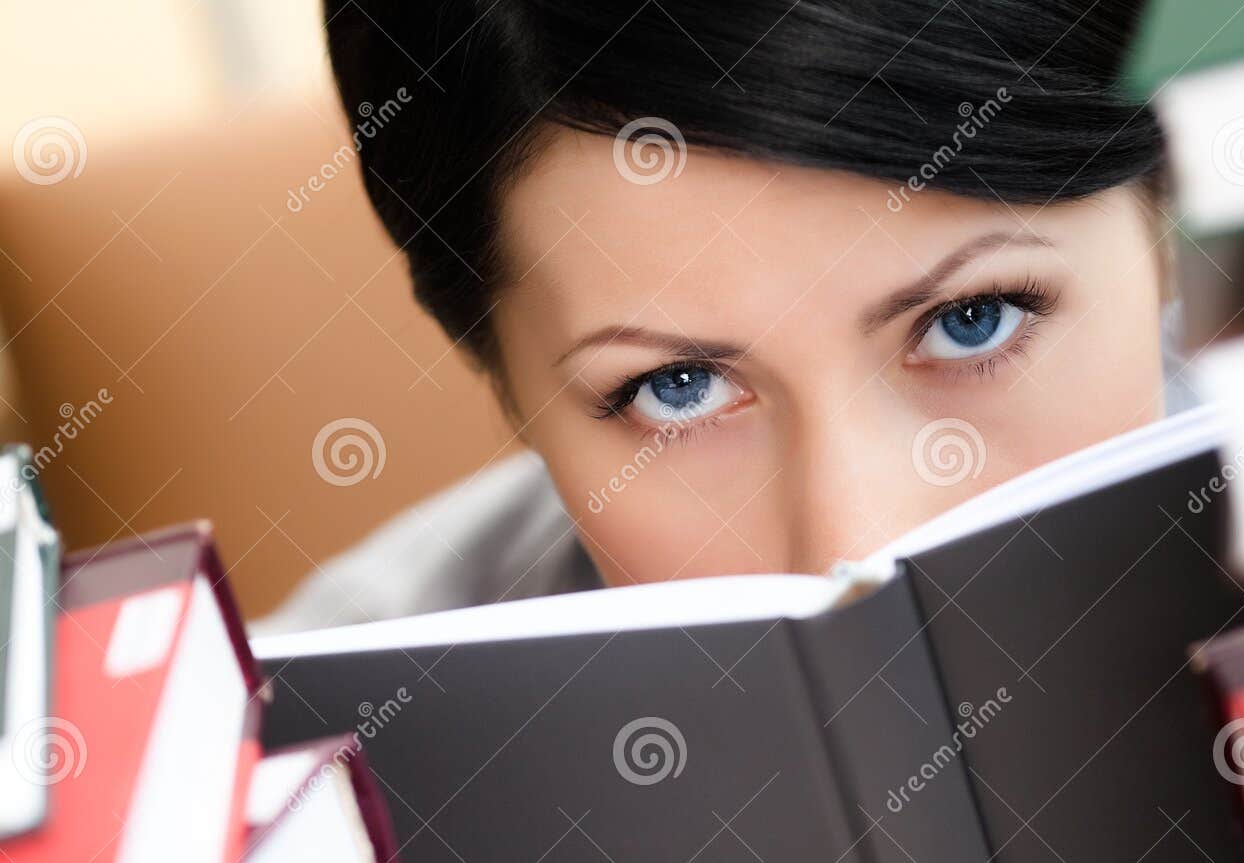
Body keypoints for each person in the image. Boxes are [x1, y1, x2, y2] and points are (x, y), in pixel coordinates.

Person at [263, 0, 1191, 630]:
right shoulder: (282, 781)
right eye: (679, 388)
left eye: (974, 319)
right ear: (502, 386)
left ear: (1163, 227)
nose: (861, 552)